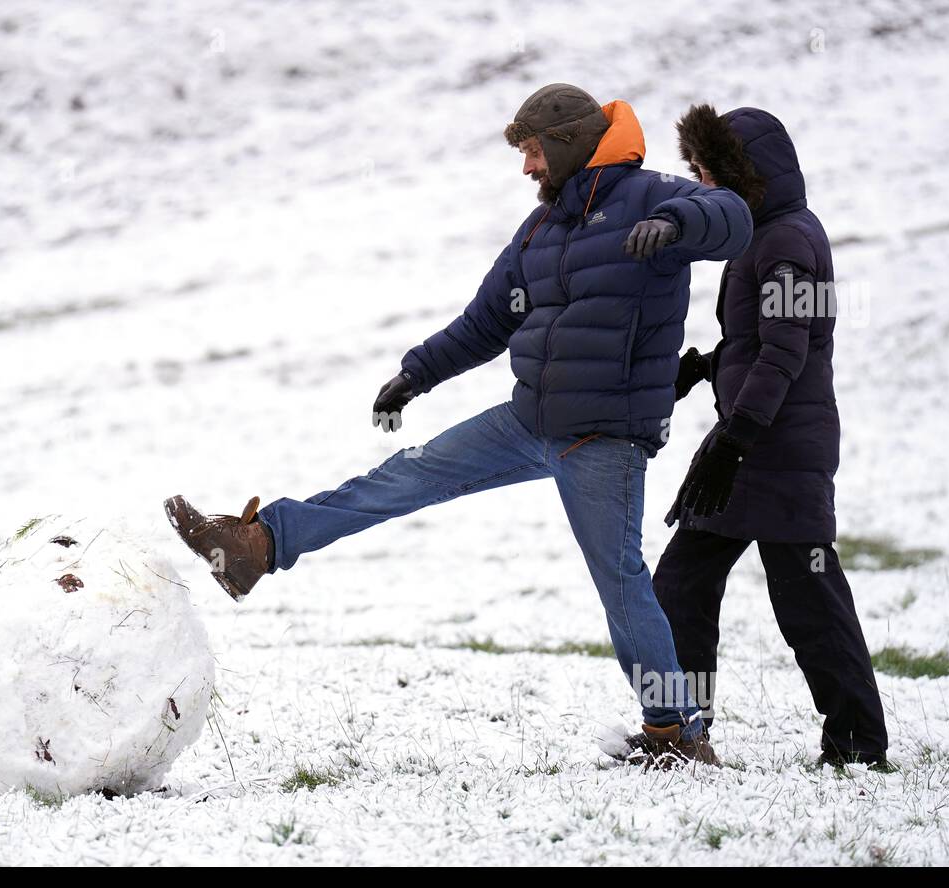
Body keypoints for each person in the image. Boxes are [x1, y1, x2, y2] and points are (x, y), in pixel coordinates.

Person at [165, 84, 752, 768]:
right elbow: (487, 323)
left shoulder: (655, 197)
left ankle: (675, 731)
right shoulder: (541, 231)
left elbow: (731, 215)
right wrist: (416, 374)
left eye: (533, 150)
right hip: (528, 419)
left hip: (605, 434)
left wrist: (678, 226)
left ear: (565, 142)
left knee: (620, 581)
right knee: (403, 476)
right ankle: (258, 546)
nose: (527, 167)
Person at [637, 103, 889, 768]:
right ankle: (684, 733)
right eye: (694, 170)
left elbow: (787, 354)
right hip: (750, 447)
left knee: (809, 601)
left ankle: (859, 747)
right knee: (682, 588)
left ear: (747, 173)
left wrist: (735, 437)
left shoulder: (787, 241)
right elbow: (758, 346)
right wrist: (704, 369)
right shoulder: (767, 235)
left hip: (775, 451)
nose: (700, 183)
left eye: (708, 170)